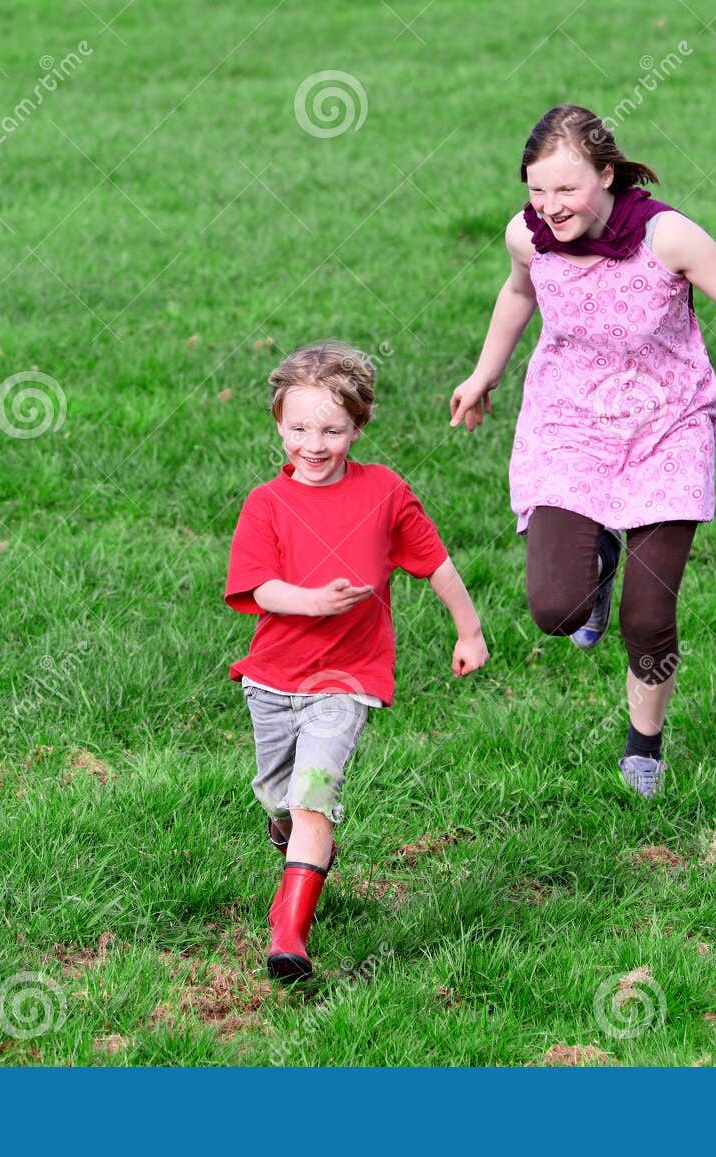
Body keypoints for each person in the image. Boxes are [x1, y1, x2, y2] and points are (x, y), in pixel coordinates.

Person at [449, 104, 716, 799]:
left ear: (607, 174)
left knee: (648, 616)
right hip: (570, 421)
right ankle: (598, 562)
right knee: (555, 608)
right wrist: (483, 372)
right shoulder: (528, 236)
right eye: (536, 191)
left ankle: (644, 744)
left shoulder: (666, 236)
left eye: (567, 189)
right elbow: (519, 292)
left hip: (666, 424)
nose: (551, 207)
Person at [228, 340, 487, 980]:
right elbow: (257, 587)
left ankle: (288, 936)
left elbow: (435, 562)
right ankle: (298, 853)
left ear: (358, 425)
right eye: (299, 429)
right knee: (280, 801)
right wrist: (312, 602)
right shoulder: (267, 502)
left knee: (313, 800)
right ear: (278, 424)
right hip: (271, 682)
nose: (314, 444)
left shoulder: (385, 492)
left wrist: (469, 630)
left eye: (332, 430)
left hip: (344, 684)